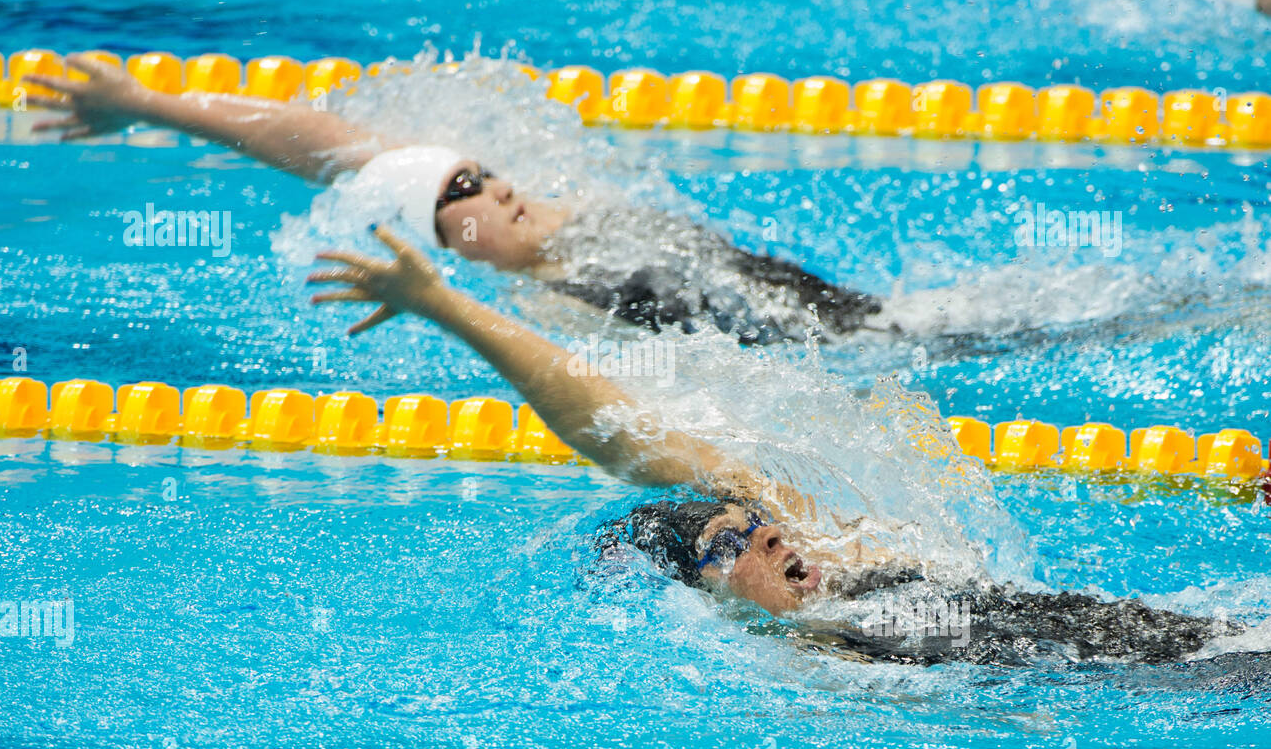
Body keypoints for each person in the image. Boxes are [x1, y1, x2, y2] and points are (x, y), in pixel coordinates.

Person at [305, 223, 1251, 666]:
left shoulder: (835, 560)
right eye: (728, 547)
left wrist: (444, 305)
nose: (767, 541)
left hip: (1152, 640)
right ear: (696, 592)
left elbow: (612, 427)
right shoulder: (773, 662)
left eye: (752, 526)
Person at [23, 55, 885, 345]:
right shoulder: (552, 304)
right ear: (440, 242)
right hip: (812, 339)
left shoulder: (554, 212)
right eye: (463, 193)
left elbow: (298, 133)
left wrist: (145, 103)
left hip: (836, 306)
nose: (497, 186)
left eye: (481, 171)